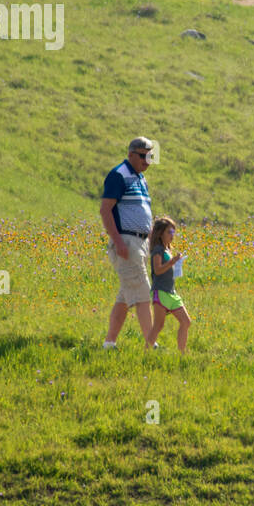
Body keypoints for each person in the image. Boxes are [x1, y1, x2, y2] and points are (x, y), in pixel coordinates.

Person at [100, 136, 155, 348]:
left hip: (139, 243)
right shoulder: (118, 175)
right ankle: (151, 343)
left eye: (150, 156)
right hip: (126, 242)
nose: (147, 160)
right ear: (131, 154)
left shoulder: (141, 179)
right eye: (143, 156)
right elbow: (106, 210)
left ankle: (109, 343)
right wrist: (118, 242)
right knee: (142, 293)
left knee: (125, 297)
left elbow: (144, 213)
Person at [146, 216, 192, 353]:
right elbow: (158, 270)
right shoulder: (158, 250)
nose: (172, 235)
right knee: (158, 325)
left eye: (173, 232)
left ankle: (182, 353)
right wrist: (172, 262)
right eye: (169, 232)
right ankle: (146, 352)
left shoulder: (167, 250)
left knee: (186, 322)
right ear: (160, 234)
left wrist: (177, 265)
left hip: (171, 292)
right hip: (160, 292)